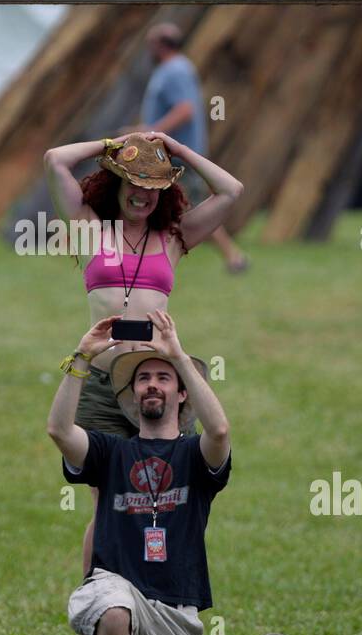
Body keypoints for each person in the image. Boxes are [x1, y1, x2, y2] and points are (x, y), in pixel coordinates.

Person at [42, 129, 242, 593]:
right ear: (116, 181)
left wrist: (177, 150)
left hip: (157, 384)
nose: (143, 195)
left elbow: (231, 191)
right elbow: (55, 159)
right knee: (106, 504)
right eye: (134, 183)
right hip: (102, 380)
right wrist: (114, 143)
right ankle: (98, 609)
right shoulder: (89, 226)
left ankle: (162, 596)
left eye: (154, 187)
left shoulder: (174, 236)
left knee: (173, 498)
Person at [47, 310, 232, 635]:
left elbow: (219, 431)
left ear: (182, 393)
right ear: (132, 395)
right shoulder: (110, 451)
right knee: (114, 611)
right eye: (143, 379)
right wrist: (81, 356)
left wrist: (178, 356)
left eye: (163, 378)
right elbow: (59, 431)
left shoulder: (193, 454)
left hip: (176, 606)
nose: (152, 385)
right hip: (115, 586)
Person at [133, 22, 248, 274]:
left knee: (194, 208)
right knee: (154, 205)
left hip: (176, 157)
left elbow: (185, 110)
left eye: (151, 43)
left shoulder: (176, 70)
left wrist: (152, 132)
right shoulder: (171, 69)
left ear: (161, 45)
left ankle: (234, 257)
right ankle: (145, 257)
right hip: (166, 154)